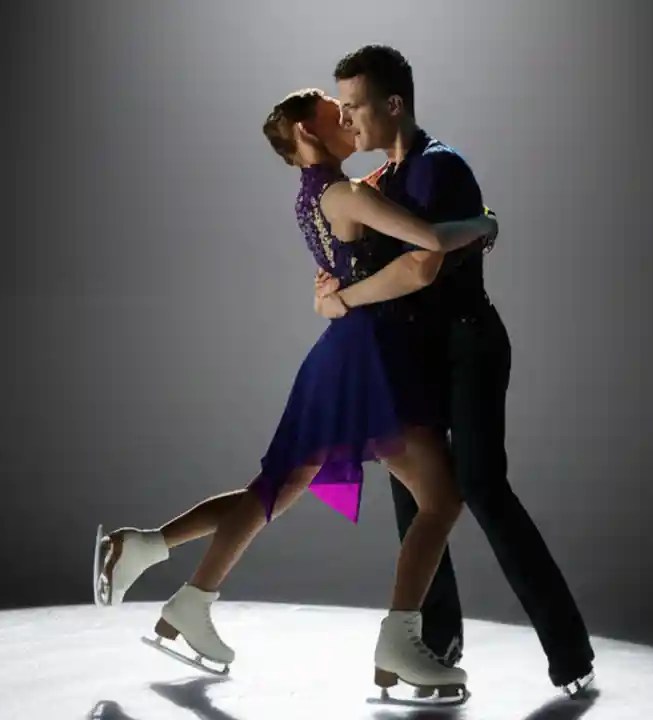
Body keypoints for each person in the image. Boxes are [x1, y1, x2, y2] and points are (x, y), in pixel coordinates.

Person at [91, 88, 497, 697]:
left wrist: (331, 297)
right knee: (436, 497)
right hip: (363, 361)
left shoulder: (315, 193)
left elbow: (348, 263)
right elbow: (427, 250)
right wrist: (484, 224)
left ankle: (163, 568)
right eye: (338, 115)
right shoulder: (346, 192)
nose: (351, 120)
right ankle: (397, 640)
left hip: (345, 356)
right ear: (308, 133)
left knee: (277, 488)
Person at [315, 44, 597, 696]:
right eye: (342, 107)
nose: (348, 118)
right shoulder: (373, 186)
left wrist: (348, 296)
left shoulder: (440, 167)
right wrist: (332, 287)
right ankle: (430, 651)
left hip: (468, 345)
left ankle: (570, 652)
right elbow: (365, 267)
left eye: (357, 105)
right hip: (411, 355)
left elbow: (425, 264)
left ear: (394, 104)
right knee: (416, 497)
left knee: (481, 486)